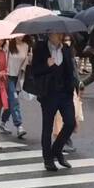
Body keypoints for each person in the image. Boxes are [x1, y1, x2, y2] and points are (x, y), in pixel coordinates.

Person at [29, 31, 78, 171]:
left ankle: (56, 149)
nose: (56, 35)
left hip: (65, 93)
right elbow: (34, 71)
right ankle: (48, 159)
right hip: (48, 93)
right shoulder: (40, 48)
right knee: (47, 128)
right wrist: (47, 66)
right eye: (53, 32)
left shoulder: (66, 49)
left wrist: (75, 86)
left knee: (70, 123)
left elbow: (71, 71)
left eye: (58, 32)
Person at [0, 35, 30, 138]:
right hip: (8, 76)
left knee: (10, 102)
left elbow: (26, 62)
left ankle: (2, 123)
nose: (20, 36)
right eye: (18, 33)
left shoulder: (26, 46)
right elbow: (2, 58)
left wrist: (30, 59)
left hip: (18, 77)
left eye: (23, 33)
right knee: (14, 101)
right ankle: (19, 126)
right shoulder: (8, 44)